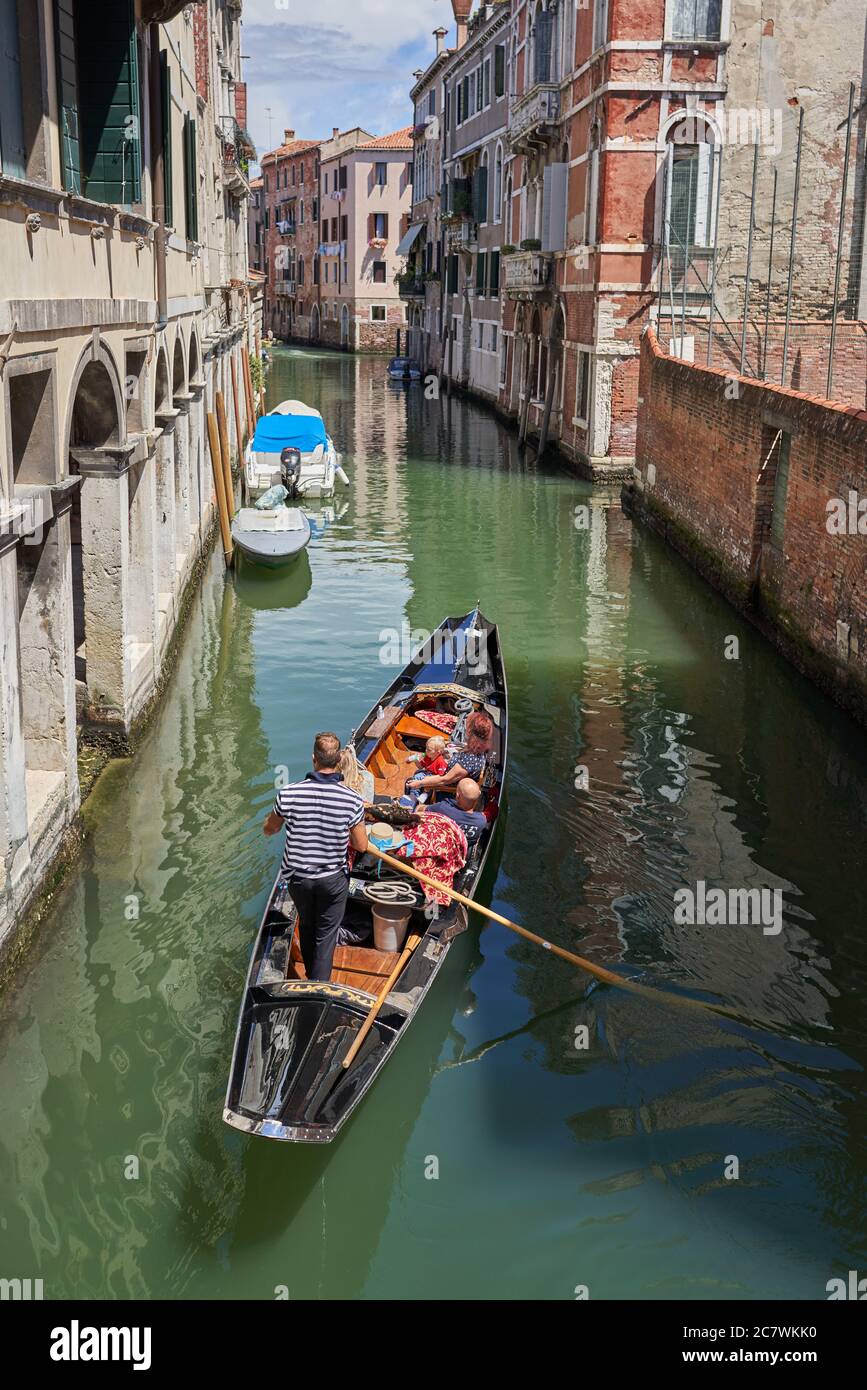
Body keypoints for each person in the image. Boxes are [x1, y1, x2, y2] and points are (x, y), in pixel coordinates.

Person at [263, 732, 368, 981]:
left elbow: (271, 828)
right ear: (339, 761)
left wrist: (272, 822)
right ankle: (318, 984)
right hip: (332, 880)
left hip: (298, 879)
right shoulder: (353, 800)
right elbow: (361, 846)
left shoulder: (288, 794)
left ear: (313, 759)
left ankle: (311, 975)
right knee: (326, 934)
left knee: (308, 927)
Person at [408, 710, 493, 797]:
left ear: (471, 733)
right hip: (447, 769)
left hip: (444, 778)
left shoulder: (468, 760)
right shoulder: (478, 748)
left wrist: (420, 783)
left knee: (416, 777)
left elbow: (445, 779)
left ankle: (412, 801)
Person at [422, 778, 488, 844]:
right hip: (460, 851)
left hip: (438, 843)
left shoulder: (442, 808)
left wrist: (419, 806)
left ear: (457, 796)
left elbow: (422, 810)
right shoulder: (481, 821)